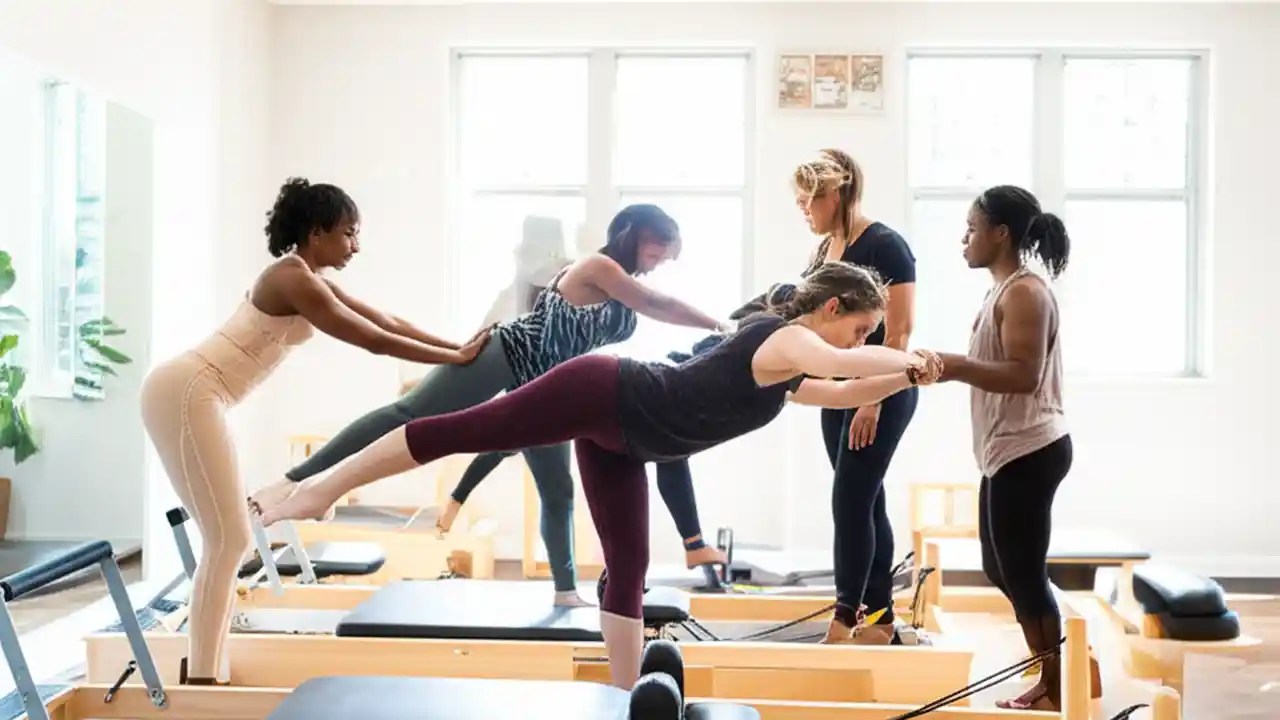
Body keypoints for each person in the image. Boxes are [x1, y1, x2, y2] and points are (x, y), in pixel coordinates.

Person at [256, 261, 943, 690]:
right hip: (607, 393)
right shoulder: (787, 337)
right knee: (467, 431)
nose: (862, 344)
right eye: (861, 330)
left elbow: (845, 387)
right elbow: (848, 367)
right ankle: (319, 489)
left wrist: (903, 378)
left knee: (629, 564)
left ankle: (622, 696)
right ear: (830, 312)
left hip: (624, 441)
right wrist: (910, 361)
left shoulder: (790, 366)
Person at [249, 204, 731, 606]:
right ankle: (290, 482)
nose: (656, 262)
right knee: (412, 415)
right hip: (504, 355)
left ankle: (565, 592)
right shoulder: (599, 267)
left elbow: (646, 303)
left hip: (547, 387)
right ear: (632, 235)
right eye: (655, 251)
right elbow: (659, 305)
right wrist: (720, 327)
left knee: (557, 488)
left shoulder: (619, 277)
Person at [140, 177, 488, 686]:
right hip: (190, 389)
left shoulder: (308, 275)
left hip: (201, 394)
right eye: (349, 232)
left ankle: (205, 667)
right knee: (229, 537)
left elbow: (383, 318)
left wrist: (456, 344)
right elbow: (371, 340)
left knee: (228, 537)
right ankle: (202, 678)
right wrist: (453, 356)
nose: (355, 245)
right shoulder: (291, 278)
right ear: (316, 231)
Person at [934, 185, 1085, 711]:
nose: (964, 240)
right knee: (1001, 569)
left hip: (1031, 449)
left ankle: (1059, 683)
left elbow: (1024, 375)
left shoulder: (1025, 292)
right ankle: (1067, 665)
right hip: (1005, 451)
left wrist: (952, 366)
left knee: (1022, 572)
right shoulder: (1001, 290)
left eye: (972, 229)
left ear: (1001, 234)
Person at [794, 149, 919, 644]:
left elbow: (901, 331)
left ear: (836, 194)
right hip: (836, 392)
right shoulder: (823, 251)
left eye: (808, 200)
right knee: (867, 501)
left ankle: (845, 618)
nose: (803, 209)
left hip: (881, 393)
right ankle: (881, 619)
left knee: (850, 499)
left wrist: (872, 400)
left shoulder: (887, 245)